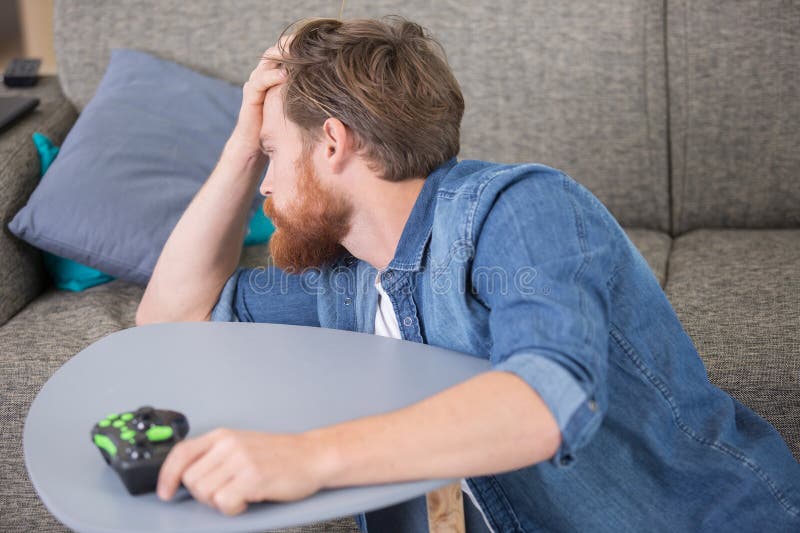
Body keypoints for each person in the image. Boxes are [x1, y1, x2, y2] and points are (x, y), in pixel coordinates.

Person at [136, 16, 800, 532]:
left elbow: (544, 399)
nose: (267, 186)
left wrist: (307, 455)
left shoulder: (522, 209)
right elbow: (170, 319)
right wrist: (239, 148)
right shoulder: (343, 281)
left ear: (332, 142)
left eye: (273, 155)